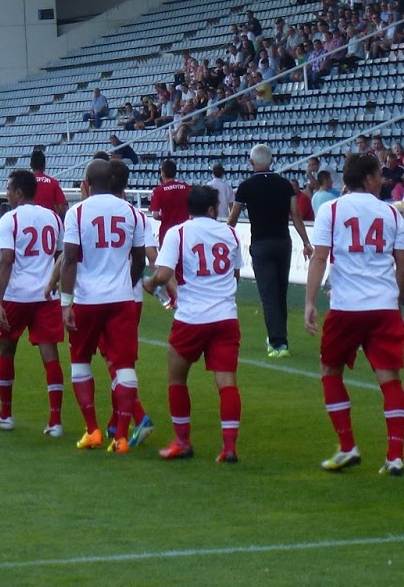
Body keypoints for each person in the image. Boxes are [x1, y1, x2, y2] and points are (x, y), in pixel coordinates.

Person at [303, 152, 404, 476]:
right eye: (380, 175)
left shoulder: (331, 210)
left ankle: (348, 446)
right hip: (383, 307)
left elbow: (319, 258)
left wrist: (309, 302)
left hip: (347, 307)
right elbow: (403, 264)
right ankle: (395, 456)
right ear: (368, 178)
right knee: (390, 379)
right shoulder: (391, 213)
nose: (383, 180)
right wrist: (397, 296)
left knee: (330, 371)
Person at [147, 184, 243, 463]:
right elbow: (234, 275)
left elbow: (164, 274)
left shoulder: (178, 232)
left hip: (191, 317)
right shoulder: (231, 233)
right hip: (225, 317)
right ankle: (229, 448)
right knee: (227, 383)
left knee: (177, 378)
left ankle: (182, 442)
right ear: (212, 209)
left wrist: (150, 283)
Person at [60, 158, 148, 453]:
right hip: (121, 299)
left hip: (87, 300)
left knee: (80, 361)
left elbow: (69, 259)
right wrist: (125, 282)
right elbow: (139, 260)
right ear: (112, 182)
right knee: (124, 365)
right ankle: (121, 437)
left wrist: (65, 302)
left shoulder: (78, 212)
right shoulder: (133, 213)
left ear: (86, 183)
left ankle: (92, 430)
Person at [0, 168, 65, 437]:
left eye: (9, 189)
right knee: (50, 355)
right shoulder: (54, 218)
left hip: (17, 296)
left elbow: (6, 260)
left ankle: (6, 414)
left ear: (19, 193)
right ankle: (55, 421)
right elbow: (59, 257)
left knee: (6, 349)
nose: (7, 194)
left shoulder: (10, 220)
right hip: (45, 296)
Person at [228, 144, 313, 357]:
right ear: (272, 160)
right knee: (280, 291)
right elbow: (295, 215)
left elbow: (234, 217)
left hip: (261, 244)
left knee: (268, 294)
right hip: (283, 242)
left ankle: (277, 342)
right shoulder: (285, 185)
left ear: (251, 162)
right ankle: (280, 336)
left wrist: (224, 239)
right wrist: (306, 242)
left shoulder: (246, 186)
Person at [150, 158, 192, 240]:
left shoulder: (158, 191)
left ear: (163, 173)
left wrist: (164, 217)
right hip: (184, 231)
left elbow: (155, 215)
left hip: (167, 231)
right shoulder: (186, 187)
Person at [28, 148, 68, 216]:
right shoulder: (53, 183)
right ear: (44, 165)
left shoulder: (24, 183)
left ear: (31, 165)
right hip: (49, 222)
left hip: (29, 221)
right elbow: (61, 208)